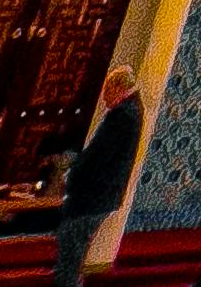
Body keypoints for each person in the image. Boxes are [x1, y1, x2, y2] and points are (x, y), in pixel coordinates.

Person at [54, 70, 144, 287]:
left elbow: (99, 157)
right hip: (102, 197)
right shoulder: (132, 112)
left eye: (107, 91)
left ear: (118, 89)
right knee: (75, 251)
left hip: (92, 197)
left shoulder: (122, 117)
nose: (104, 98)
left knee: (71, 251)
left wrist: (73, 173)